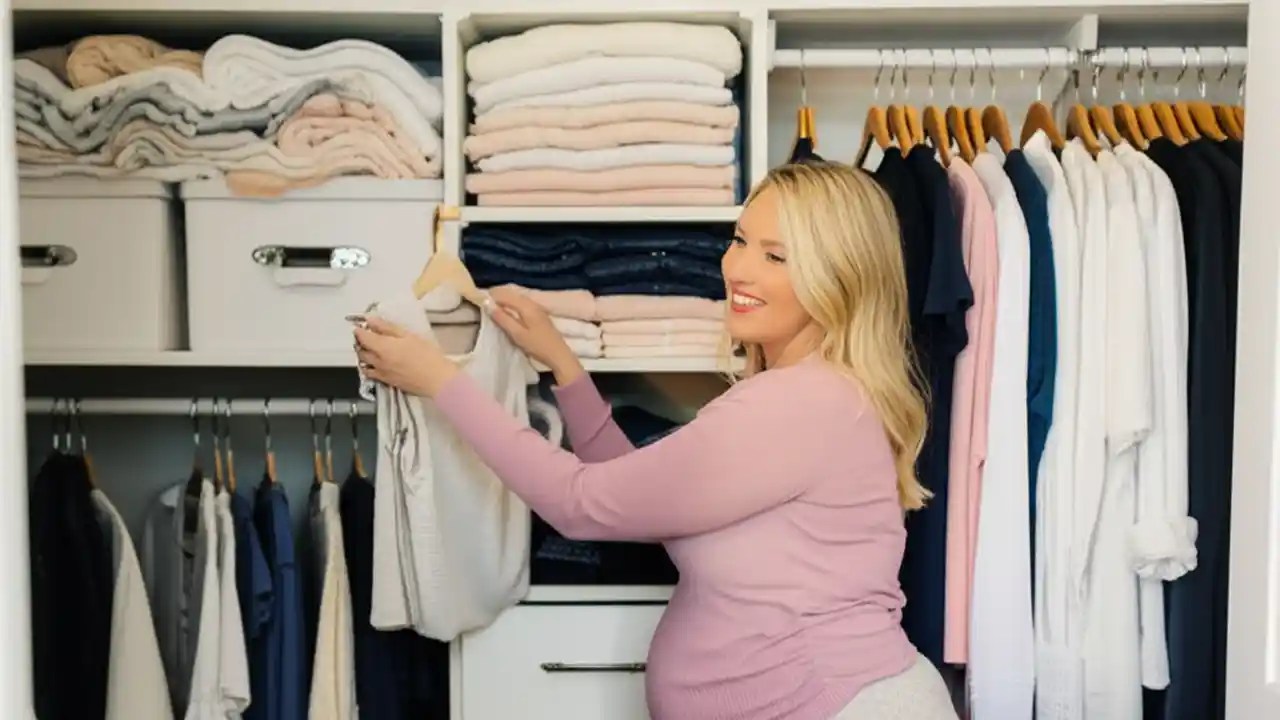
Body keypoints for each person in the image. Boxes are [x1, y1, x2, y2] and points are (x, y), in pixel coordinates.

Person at [353, 161, 959, 720]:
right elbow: (640, 499)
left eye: (777, 257)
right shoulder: (814, 392)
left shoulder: (801, 404)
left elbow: (582, 504)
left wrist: (441, 381)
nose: (738, 268)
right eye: (741, 240)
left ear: (839, 276)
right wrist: (565, 366)